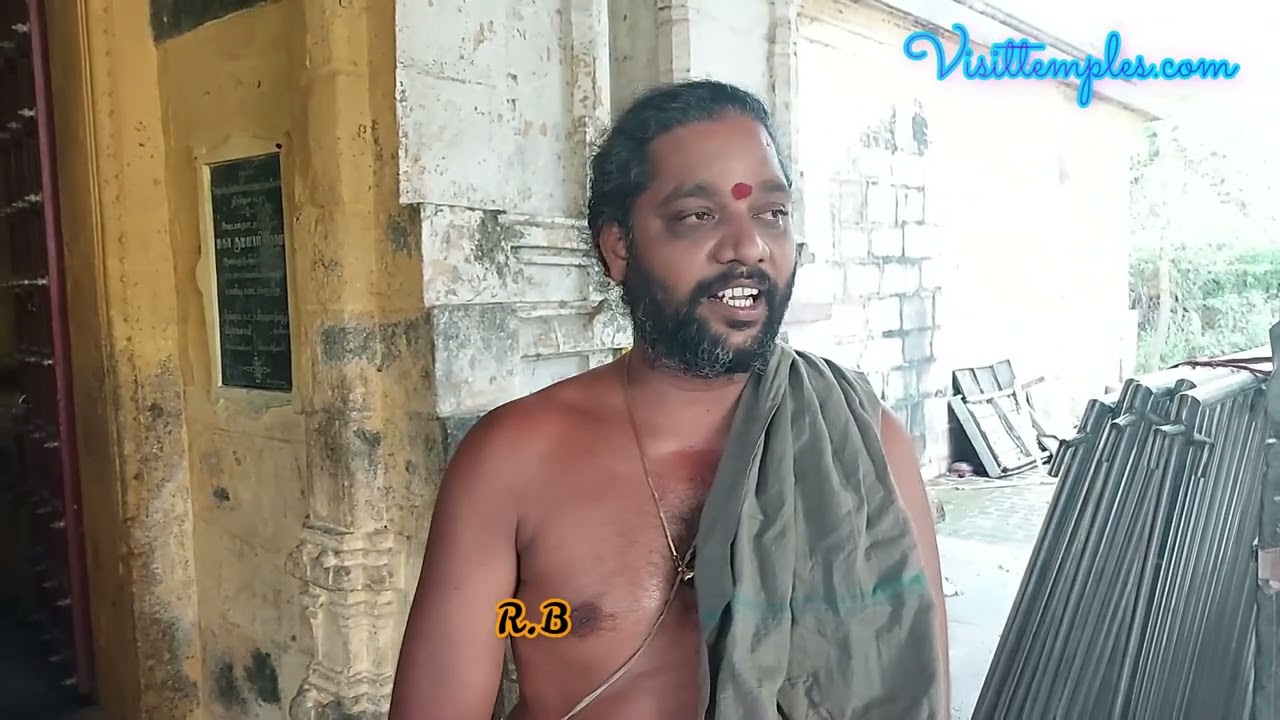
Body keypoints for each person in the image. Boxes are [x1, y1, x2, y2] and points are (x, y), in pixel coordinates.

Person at [390, 80, 950, 720]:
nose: (749, 246)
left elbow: (914, 684)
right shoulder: (512, 462)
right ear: (620, 246)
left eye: (771, 213)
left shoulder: (863, 446)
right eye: (698, 215)